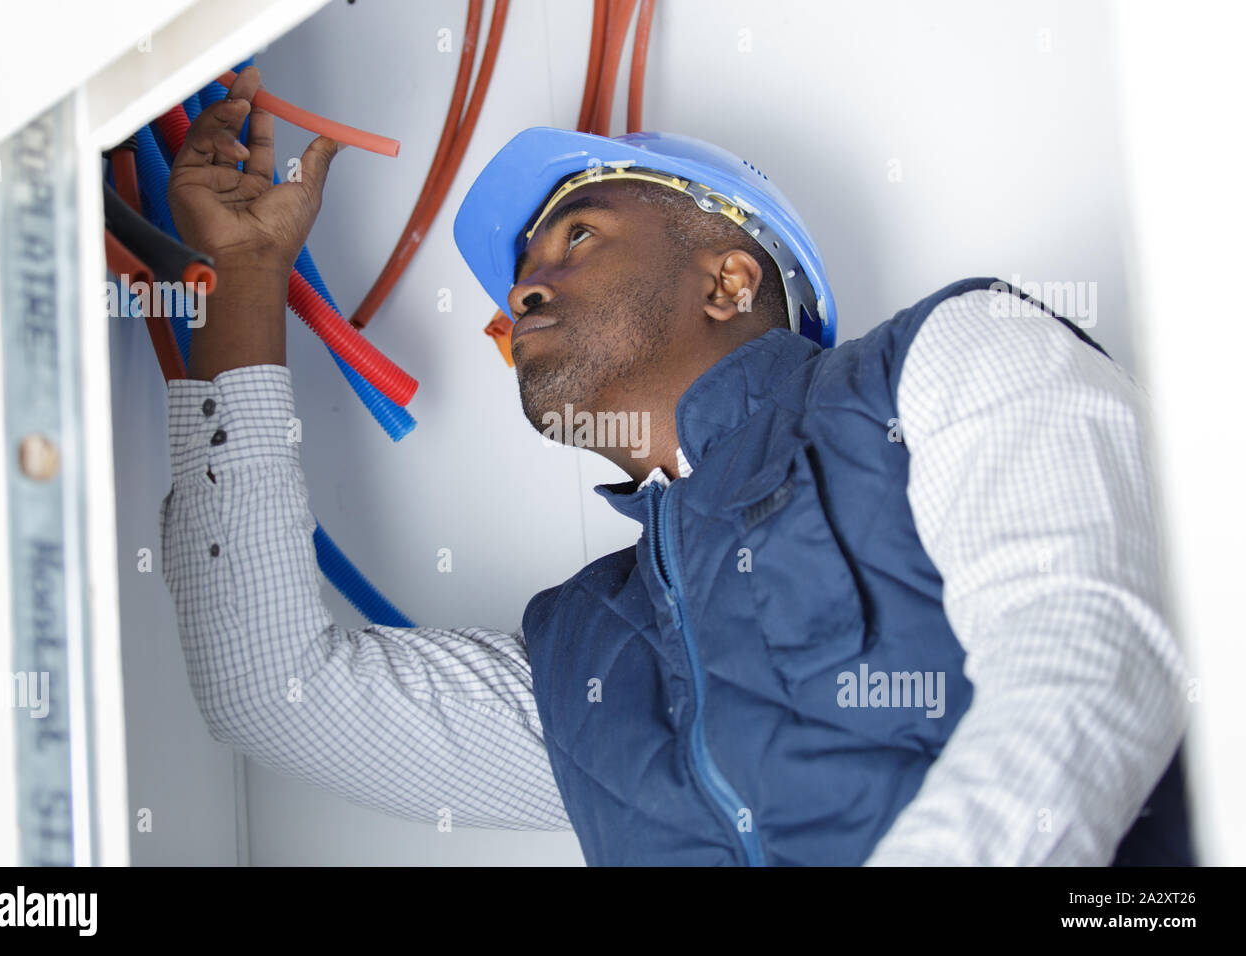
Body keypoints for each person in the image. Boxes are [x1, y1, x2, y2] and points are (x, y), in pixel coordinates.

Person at [161, 65, 1193, 865]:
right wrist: (246, 276)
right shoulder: (583, 660)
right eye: (518, 278)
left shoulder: (951, 360)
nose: (523, 290)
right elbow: (272, 690)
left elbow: (1089, 657)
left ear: (727, 275)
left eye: (576, 235)